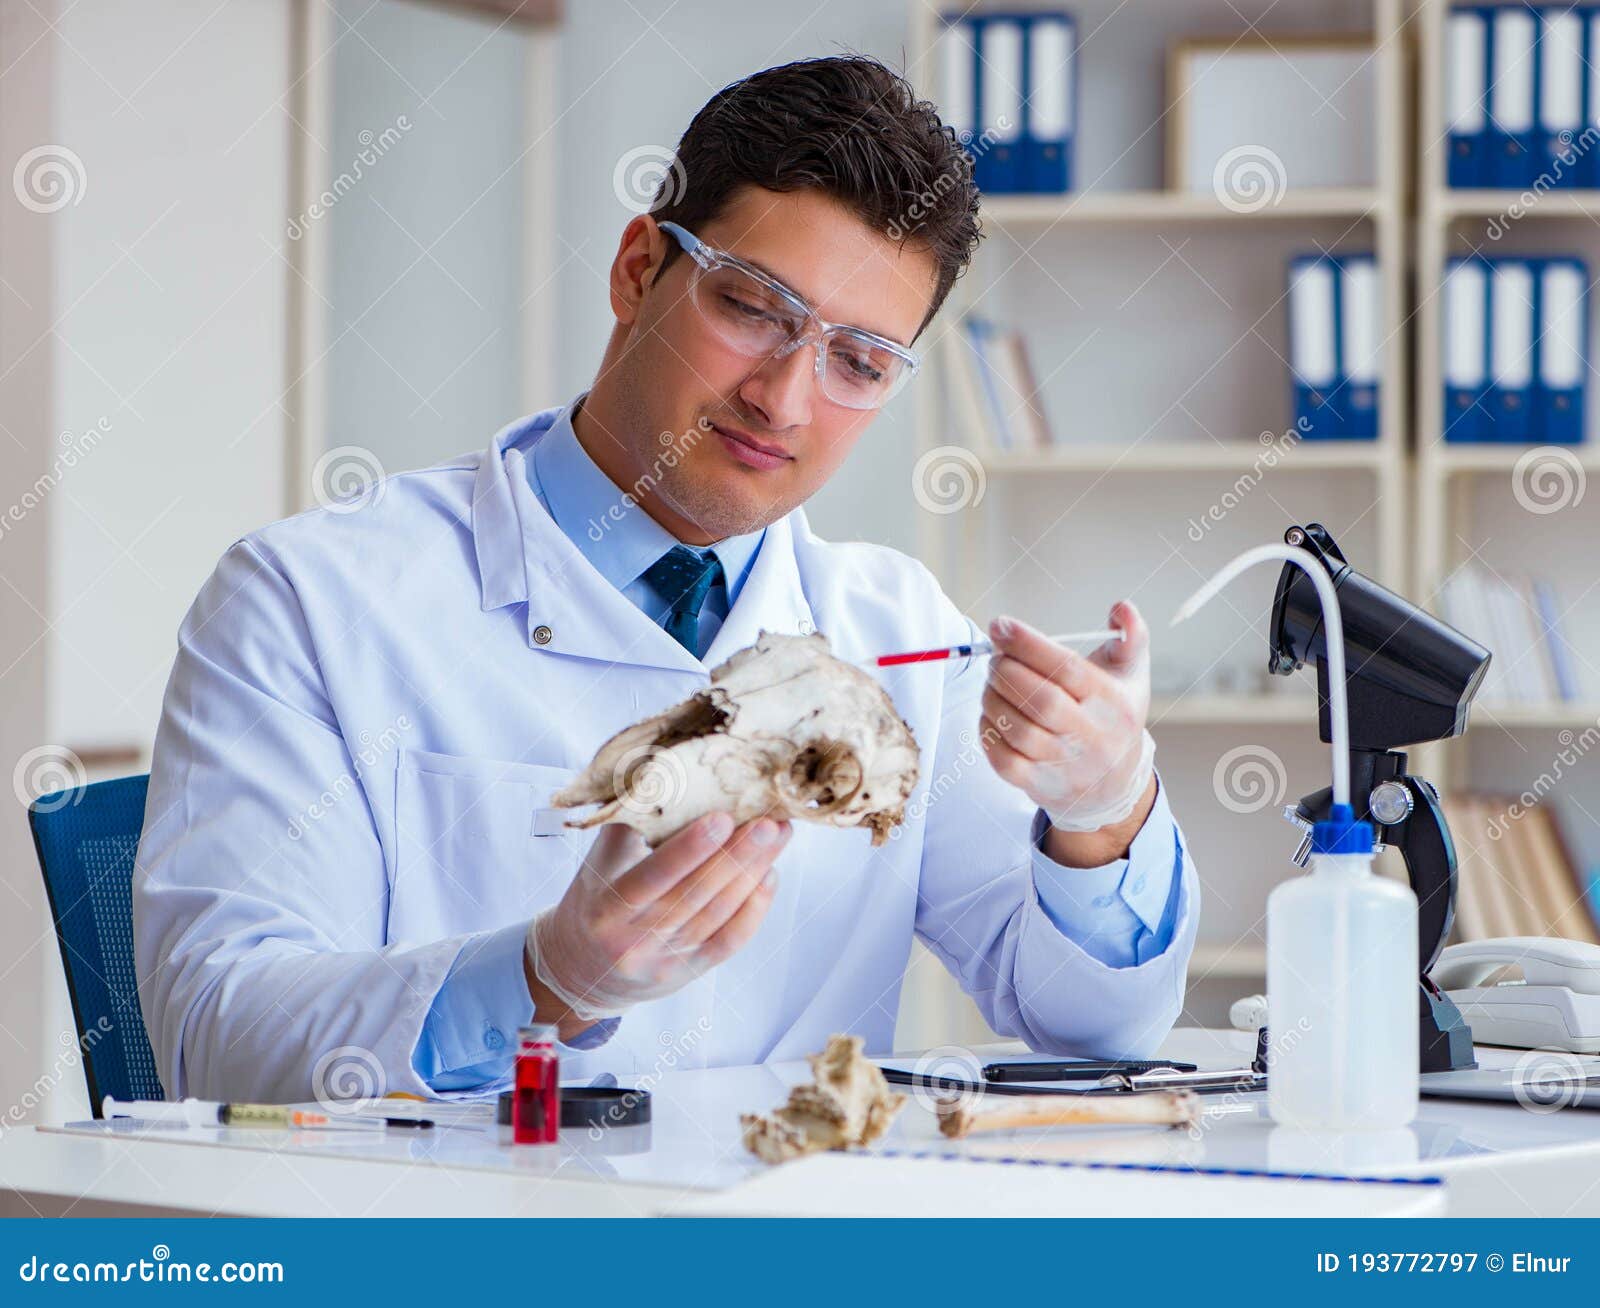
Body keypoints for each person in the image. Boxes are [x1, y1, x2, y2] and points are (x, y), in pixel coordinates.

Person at [134, 55, 1198, 1102]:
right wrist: (543, 982)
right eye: (752, 307)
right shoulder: (309, 598)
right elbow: (217, 1037)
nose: (785, 398)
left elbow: (1092, 1031)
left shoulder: (898, 630)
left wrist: (1101, 815)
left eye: (859, 363)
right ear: (639, 269)